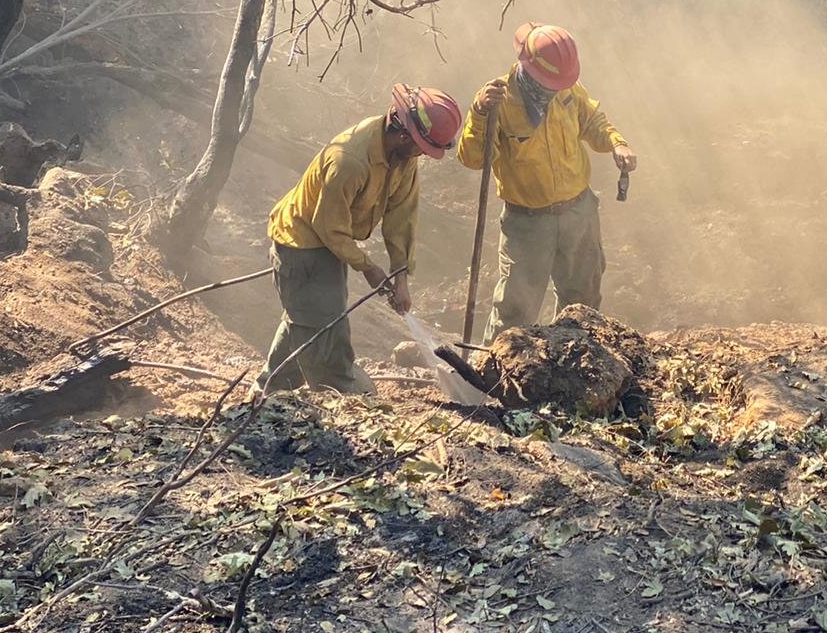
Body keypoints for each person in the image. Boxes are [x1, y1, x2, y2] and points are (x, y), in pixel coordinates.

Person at [261, 84, 462, 393]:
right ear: (405, 135)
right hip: (302, 243)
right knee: (325, 328)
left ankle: (269, 390)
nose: (423, 154)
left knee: (307, 315)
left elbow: (402, 216)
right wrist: (368, 267)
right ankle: (341, 390)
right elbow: (330, 227)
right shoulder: (349, 161)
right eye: (423, 146)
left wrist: (401, 275)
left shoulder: (403, 157)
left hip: (330, 240)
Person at [459, 23, 636, 342]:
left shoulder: (566, 89)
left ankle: (572, 369)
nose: (554, 90)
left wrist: (616, 143)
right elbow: (473, 159)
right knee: (515, 313)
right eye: (549, 84)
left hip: (579, 213)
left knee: (583, 305)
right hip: (528, 224)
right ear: (528, 67)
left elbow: (592, 120)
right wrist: (481, 113)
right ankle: (491, 378)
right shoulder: (499, 100)